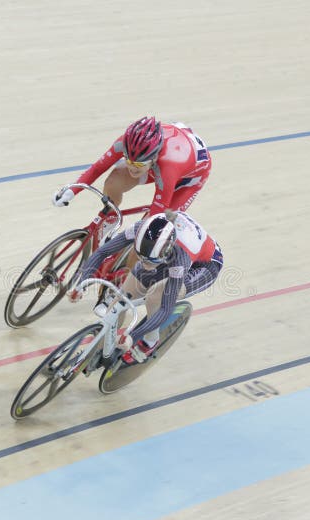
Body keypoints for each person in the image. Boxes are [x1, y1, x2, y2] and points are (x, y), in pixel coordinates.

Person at [67, 209, 223, 365]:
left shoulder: (180, 257)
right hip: (166, 250)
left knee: (156, 296)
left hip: (205, 266)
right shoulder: (140, 229)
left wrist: (133, 336)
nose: (144, 263)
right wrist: (82, 283)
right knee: (119, 301)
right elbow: (103, 252)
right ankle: (95, 351)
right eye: (141, 258)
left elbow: (165, 308)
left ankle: (150, 342)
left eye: (149, 261)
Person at [51, 117, 212, 236]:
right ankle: (111, 222)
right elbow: (97, 168)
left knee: (148, 233)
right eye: (128, 160)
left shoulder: (169, 166)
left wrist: (131, 237)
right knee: (113, 183)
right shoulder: (125, 143)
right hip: (156, 164)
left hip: (190, 179)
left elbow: (157, 211)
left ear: (154, 158)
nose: (132, 168)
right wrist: (72, 191)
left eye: (139, 165)